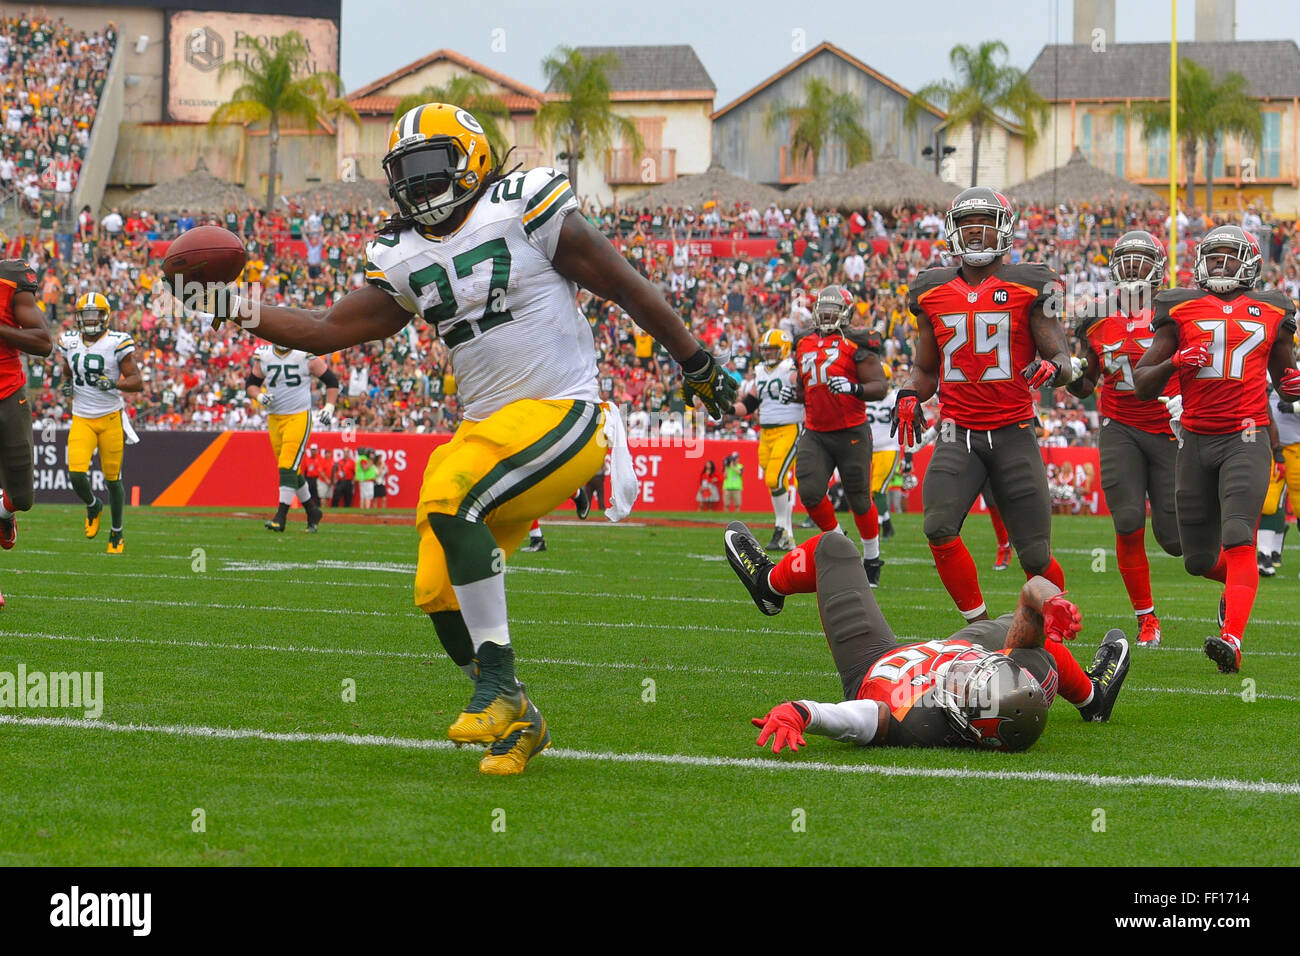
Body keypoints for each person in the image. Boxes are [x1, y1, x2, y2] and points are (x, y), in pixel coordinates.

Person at [195, 102, 736, 775]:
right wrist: (223, 305)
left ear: (472, 158)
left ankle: (500, 688)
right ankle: (525, 719)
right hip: (488, 432)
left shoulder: (522, 206)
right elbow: (322, 328)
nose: (419, 186)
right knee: (433, 587)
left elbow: (625, 284)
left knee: (451, 493)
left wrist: (697, 363)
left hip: (564, 413)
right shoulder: (401, 252)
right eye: (405, 174)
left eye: (430, 168)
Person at [723, 523, 1130, 753]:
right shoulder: (993, 674)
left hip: (873, 663)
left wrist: (803, 712)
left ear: (962, 715)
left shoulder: (916, 722)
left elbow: (859, 720)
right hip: (942, 651)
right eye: (981, 668)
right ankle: (1094, 699)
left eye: (970, 676)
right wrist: (1050, 600)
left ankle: (767, 582)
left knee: (833, 546)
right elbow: (1031, 599)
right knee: (1037, 644)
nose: (970, 667)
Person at [897, 186, 1075, 622]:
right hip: (958, 432)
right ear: (952, 231)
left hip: (1014, 431)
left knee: (1034, 556)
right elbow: (925, 370)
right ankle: (980, 626)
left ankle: (1055, 619)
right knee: (938, 527)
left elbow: (1064, 359)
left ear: (1004, 230)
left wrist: (1054, 369)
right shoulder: (930, 291)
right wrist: (906, 392)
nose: (975, 232)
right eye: (967, 224)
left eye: (985, 223)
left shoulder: (1030, 284)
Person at [1135, 225, 1300, 673]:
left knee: (1239, 535)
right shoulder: (1179, 305)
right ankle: (1238, 588)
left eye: (1230, 255)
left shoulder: (1272, 307)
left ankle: (1233, 639)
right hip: (1194, 439)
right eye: (1214, 255)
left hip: (1246, 436)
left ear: (1248, 261)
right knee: (1198, 559)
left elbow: (1287, 383)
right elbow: (1142, 384)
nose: (1221, 263)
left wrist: (1293, 386)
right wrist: (1174, 361)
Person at [1068, 231, 1181, 646]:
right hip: (1120, 427)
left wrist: (1185, 403)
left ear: (1159, 266)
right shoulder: (1097, 317)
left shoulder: (1177, 311)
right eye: (1127, 259)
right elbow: (1087, 383)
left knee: (1177, 540)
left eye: (1142, 259)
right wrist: (1070, 374)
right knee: (1129, 520)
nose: (1133, 266)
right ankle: (1146, 618)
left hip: (1168, 428)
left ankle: (1230, 576)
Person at [782, 285, 889, 585]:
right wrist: (795, 394)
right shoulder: (803, 341)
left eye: (833, 310)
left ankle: (872, 558)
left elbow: (880, 387)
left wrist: (854, 388)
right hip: (816, 431)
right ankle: (840, 542)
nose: (827, 315)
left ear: (846, 313)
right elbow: (806, 387)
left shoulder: (858, 342)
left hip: (851, 430)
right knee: (811, 493)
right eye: (823, 309)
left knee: (859, 499)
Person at [55, 292, 143, 553]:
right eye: (86, 315)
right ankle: (93, 505)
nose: (91, 320)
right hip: (82, 416)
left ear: (106, 317)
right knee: (75, 474)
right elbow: (67, 371)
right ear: (79, 318)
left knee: (113, 479)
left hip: (110, 417)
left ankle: (117, 532)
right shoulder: (69, 342)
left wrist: (114, 383)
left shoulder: (117, 342)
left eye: (96, 315)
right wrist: (66, 386)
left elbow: (137, 381)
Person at [0, 259, 53, 607]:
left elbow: (43, 342)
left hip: (7, 396)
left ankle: (5, 514)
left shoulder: (9, 278)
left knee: (23, 497)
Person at [246, 344, 338, 532]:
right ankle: (312, 511)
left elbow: (332, 380)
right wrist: (259, 396)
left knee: (287, 465)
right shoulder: (264, 355)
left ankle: (280, 517)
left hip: (298, 416)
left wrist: (329, 406)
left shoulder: (305, 355)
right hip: (274, 418)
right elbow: (251, 385)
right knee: (292, 471)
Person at [730, 327, 801, 550]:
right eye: (766, 350)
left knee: (774, 478)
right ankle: (787, 535)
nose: (768, 354)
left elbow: (806, 392)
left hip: (789, 428)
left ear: (784, 349)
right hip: (766, 432)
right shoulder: (760, 371)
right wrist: (726, 408)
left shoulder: (791, 368)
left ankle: (780, 528)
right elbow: (749, 406)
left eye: (773, 350)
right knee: (776, 482)